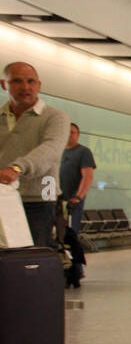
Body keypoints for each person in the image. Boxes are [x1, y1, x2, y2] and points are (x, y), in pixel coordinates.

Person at [0, 62, 71, 248]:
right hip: (4, 197)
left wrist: (17, 168)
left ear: (39, 85)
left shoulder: (55, 117)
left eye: (31, 81)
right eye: (17, 81)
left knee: (33, 256)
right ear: (4, 85)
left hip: (41, 197)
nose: (25, 87)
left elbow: (51, 150)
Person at [60, 123, 96, 235]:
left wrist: (78, 196)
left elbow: (88, 176)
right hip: (56, 201)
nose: (69, 135)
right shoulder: (58, 151)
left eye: (72, 132)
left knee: (70, 233)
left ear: (78, 135)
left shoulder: (83, 152)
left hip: (72, 201)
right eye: (67, 132)